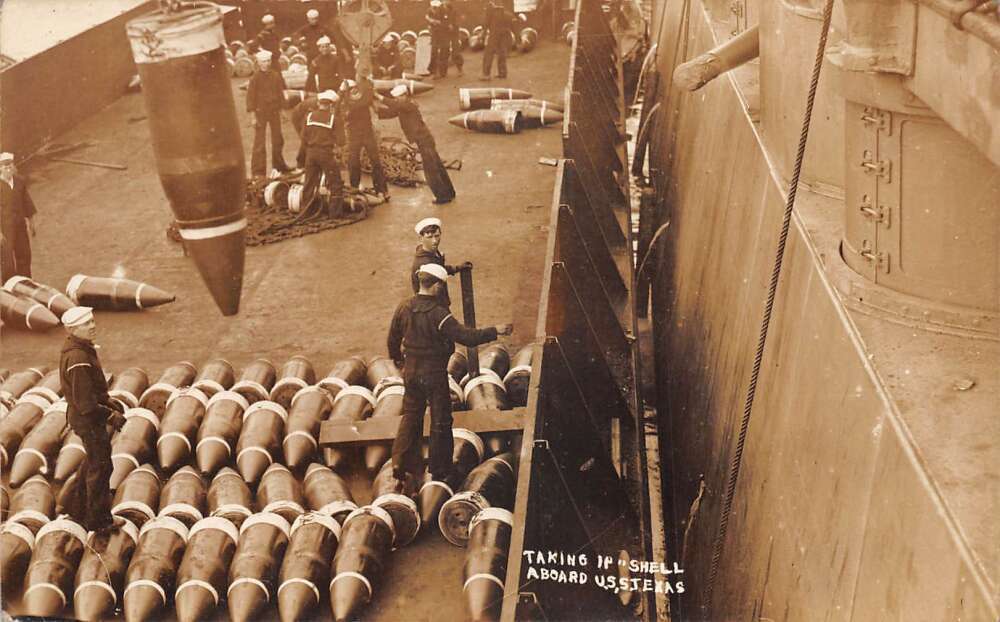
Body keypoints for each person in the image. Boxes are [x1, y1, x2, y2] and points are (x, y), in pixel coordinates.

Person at [388, 263, 513, 487]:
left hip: (411, 371)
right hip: (434, 373)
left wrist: (399, 361)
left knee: (410, 417)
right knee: (441, 419)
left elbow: (392, 338)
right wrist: (496, 330)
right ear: (436, 285)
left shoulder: (403, 307)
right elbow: (466, 337)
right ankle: (439, 470)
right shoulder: (439, 314)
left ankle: (399, 463)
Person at [57, 307, 126, 534]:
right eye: (86, 323)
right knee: (101, 466)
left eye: (92, 321)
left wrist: (108, 400)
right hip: (88, 420)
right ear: (73, 329)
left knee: (92, 463)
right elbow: (85, 403)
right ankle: (99, 522)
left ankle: (74, 507)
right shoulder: (78, 357)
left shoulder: (81, 349)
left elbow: (91, 391)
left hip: (86, 417)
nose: (92, 325)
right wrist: (109, 414)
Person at [384, 84, 455, 204]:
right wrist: (374, 106)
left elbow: (394, 105)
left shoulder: (408, 105)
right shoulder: (406, 105)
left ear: (405, 95)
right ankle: (449, 192)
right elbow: (389, 112)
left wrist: (377, 96)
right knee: (438, 166)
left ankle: (442, 197)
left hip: (424, 141)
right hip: (426, 139)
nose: (396, 99)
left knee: (431, 171)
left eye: (398, 97)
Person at [342, 78, 390, 202]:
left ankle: (380, 190)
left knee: (374, 161)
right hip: (358, 135)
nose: (354, 92)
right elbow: (364, 101)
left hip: (362, 134)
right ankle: (361, 189)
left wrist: (343, 92)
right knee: (355, 162)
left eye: (355, 89)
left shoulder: (349, 101)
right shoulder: (354, 102)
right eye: (351, 90)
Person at [298, 90, 344, 216]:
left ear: (319, 103)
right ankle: (335, 213)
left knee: (309, 183)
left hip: (311, 154)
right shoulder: (334, 119)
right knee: (335, 183)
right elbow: (341, 141)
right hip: (326, 154)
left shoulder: (309, 117)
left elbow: (303, 137)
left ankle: (305, 211)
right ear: (331, 105)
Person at [247, 50, 291, 178]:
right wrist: (253, 116)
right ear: (258, 63)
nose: (266, 64)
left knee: (277, 139)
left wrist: (282, 111)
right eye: (263, 62)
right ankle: (258, 171)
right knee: (259, 142)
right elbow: (250, 98)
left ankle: (279, 166)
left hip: (274, 111)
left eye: (268, 61)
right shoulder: (255, 78)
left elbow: (280, 93)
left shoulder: (275, 76)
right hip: (260, 112)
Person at [409, 217, 469, 306]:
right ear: (420, 238)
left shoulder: (431, 252)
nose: (434, 241)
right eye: (429, 237)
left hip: (439, 301)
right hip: (432, 306)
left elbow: (439, 268)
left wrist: (456, 268)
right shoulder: (424, 263)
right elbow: (425, 292)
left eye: (437, 236)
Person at [0, 152, 37, 282]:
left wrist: (31, 223)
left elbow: (27, 203)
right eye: (5, 166)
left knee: (25, 256)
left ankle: (26, 284)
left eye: (10, 165)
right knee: (7, 262)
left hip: (20, 226)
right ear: (0, 168)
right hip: (5, 231)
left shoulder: (19, 181)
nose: (8, 168)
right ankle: (9, 288)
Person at [481, 0, 515, 80]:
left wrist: (484, 33)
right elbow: (510, 17)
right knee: (502, 52)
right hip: (504, 32)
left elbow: (487, 21)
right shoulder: (503, 5)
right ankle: (502, 73)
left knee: (489, 52)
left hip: (494, 32)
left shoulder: (489, 6)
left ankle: (486, 74)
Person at [426, 0, 451, 79]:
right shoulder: (429, 10)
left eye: (436, 7)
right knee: (434, 53)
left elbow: (447, 24)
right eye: (433, 7)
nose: (434, 8)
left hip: (444, 34)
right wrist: (430, 23)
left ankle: (443, 72)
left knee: (444, 52)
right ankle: (434, 72)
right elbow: (428, 19)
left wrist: (435, 22)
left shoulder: (445, 11)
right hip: (435, 34)